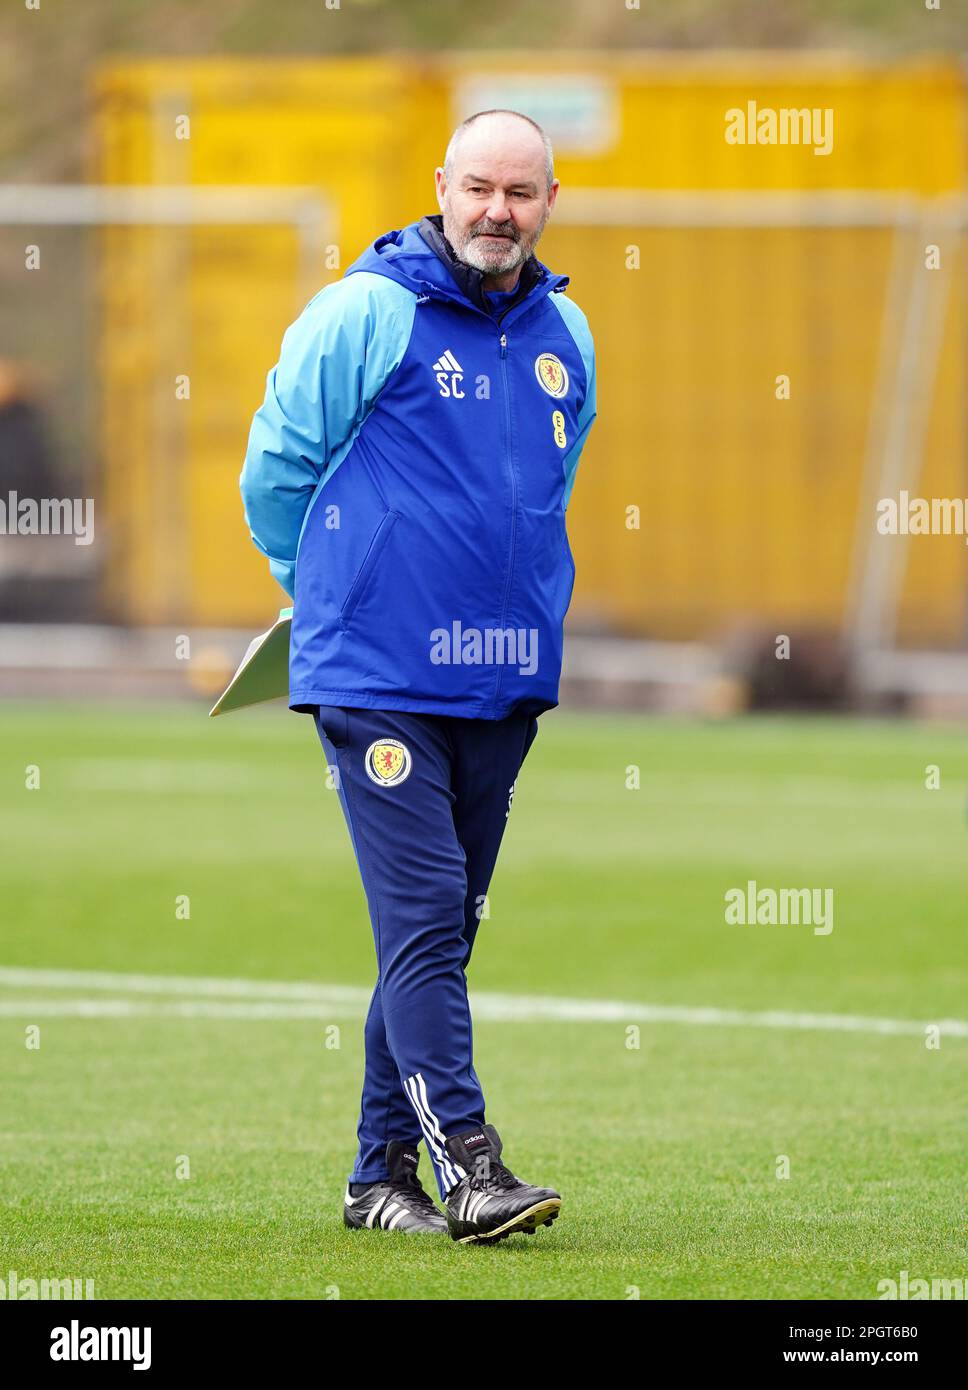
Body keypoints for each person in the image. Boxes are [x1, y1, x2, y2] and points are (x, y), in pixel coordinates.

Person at [240, 109, 596, 1244]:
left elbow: (546, 491)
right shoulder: (365, 309)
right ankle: (473, 1168)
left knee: (436, 934)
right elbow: (276, 466)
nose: (498, 211)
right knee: (428, 922)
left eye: (521, 193)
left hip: (501, 682)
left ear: (550, 202)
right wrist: (330, 591)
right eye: (479, 187)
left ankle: (374, 1178)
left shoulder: (567, 333)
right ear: (441, 185)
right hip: (378, 672)